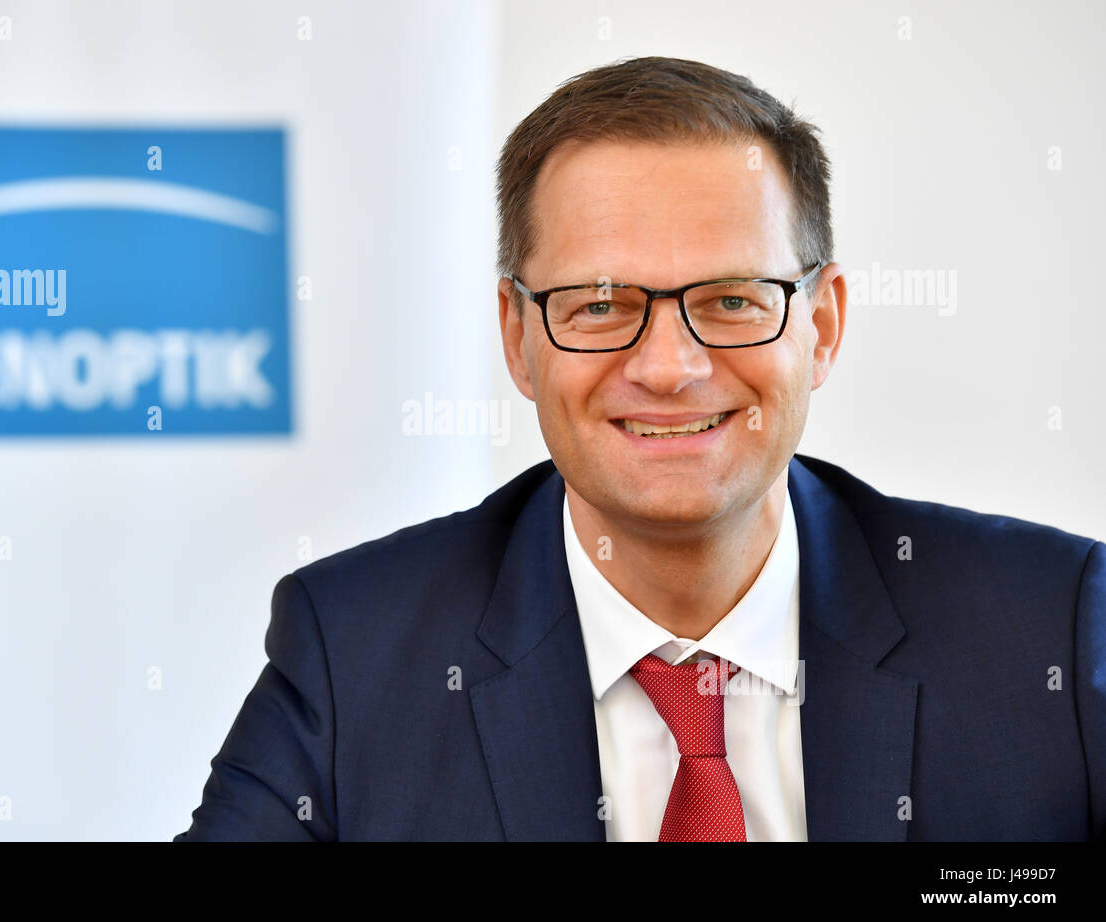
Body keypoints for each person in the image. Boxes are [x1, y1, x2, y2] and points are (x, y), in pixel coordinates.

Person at [175, 56, 1105, 841]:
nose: (668, 367)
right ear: (518, 337)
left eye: (734, 299)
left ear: (822, 327)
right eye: (601, 306)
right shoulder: (354, 652)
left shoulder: (1052, 631)